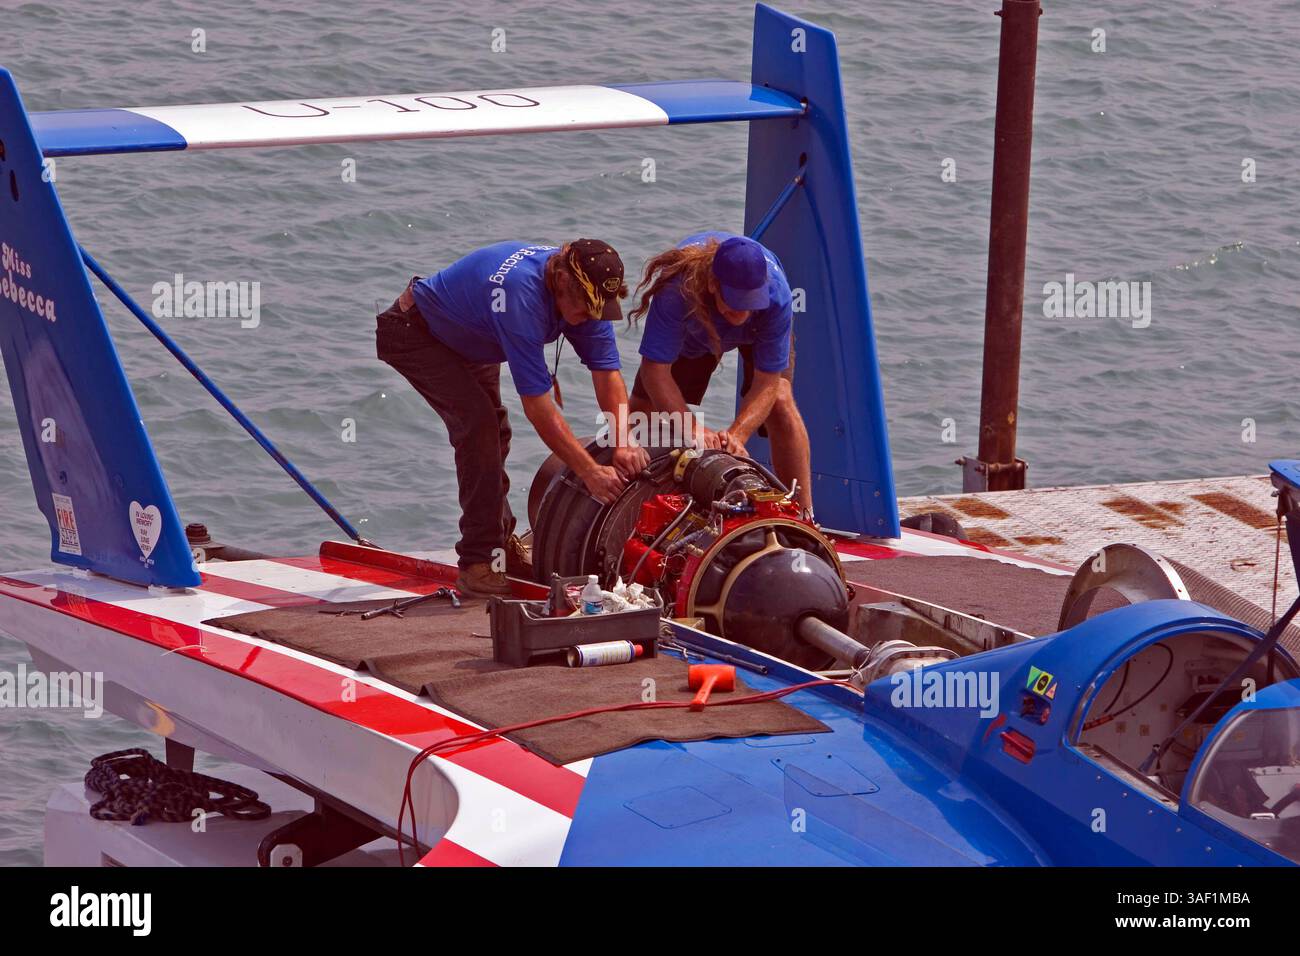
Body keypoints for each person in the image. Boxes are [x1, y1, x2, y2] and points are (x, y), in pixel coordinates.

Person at [377, 239, 649, 596]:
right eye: (583, 311)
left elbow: (607, 373)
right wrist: (589, 471)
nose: (589, 319)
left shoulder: (589, 296)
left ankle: (499, 547)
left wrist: (624, 440)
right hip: (416, 333)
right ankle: (478, 563)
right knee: (479, 430)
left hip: (473, 336)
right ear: (561, 284)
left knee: (497, 432)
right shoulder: (519, 297)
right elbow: (538, 407)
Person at [627, 232, 813, 514]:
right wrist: (692, 428)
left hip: (758, 334)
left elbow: (767, 382)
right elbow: (655, 371)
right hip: (695, 328)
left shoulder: (776, 296)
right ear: (713, 285)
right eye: (736, 303)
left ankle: (803, 514)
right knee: (642, 410)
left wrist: (736, 436)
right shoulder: (678, 289)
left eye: (751, 303)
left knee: (782, 398)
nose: (743, 314)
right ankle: (632, 509)